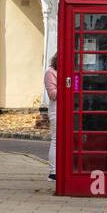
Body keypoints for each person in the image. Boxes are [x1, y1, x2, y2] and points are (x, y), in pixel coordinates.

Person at [44, 53, 58, 181]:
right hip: (57, 110)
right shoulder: (51, 72)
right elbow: (52, 94)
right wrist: (67, 86)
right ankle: (53, 172)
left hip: (72, 110)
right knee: (56, 140)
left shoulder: (70, 71)